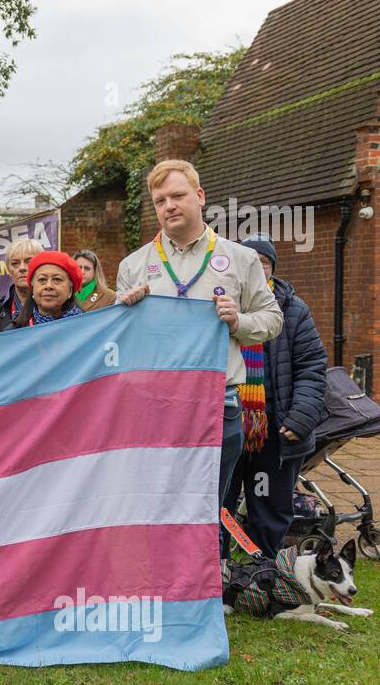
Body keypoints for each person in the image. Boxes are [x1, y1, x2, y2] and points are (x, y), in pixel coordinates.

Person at [114, 160, 283, 538]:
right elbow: (118, 345)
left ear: (200, 196)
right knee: (155, 505)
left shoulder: (241, 259)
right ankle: (159, 590)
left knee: (210, 509)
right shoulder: (134, 265)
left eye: (177, 195)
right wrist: (124, 315)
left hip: (217, 405)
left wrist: (239, 321)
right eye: (160, 201)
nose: (169, 206)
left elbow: (272, 320)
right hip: (154, 405)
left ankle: (209, 593)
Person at [224, 233, 328, 559]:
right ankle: (217, 574)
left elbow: (312, 368)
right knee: (219, 502)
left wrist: (301, 418)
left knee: (270, 506)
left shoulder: (294, 311)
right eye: (249, 261)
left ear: (272, 268)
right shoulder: (220, 307)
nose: (256, 267)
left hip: (275, 430)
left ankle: (260, 572)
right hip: (228, 423)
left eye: (264, 262)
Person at [0, 237, 43, 334]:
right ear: (8, 270)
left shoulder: (55, 305)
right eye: (15, 263)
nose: (22, 268)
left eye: (28, 261)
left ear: (41, 266)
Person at [12, 251, 86, 327]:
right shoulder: (15, 331)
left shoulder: (87, 329)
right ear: (32, 288)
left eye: (57, 279)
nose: (48, 286)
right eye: (42, 280)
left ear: (70, 291)